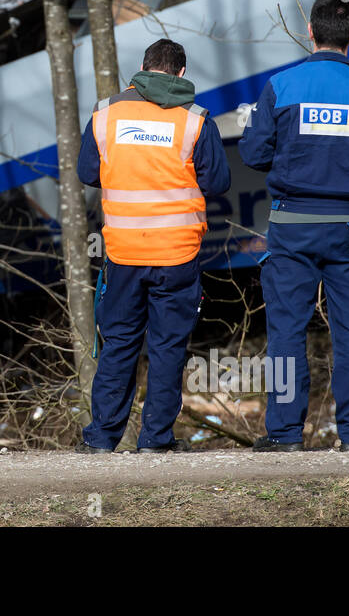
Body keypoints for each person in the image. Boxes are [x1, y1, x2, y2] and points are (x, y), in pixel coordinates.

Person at [238, 0, 349, 452]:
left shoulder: (282, 86)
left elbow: (253, 153)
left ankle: (286, 435)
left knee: (287, 330)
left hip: (292, 226)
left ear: (310, 32)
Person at [75, 38, 231, 453]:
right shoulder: (196, 120)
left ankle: (101, 439)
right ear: (181, 73)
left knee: (120, 344)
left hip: (123, 254)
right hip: (177, 254)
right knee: (166, 348)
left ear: (143, 69)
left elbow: (88, 171)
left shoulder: (106, 113)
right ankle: (156, 440)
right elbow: (218, 183)